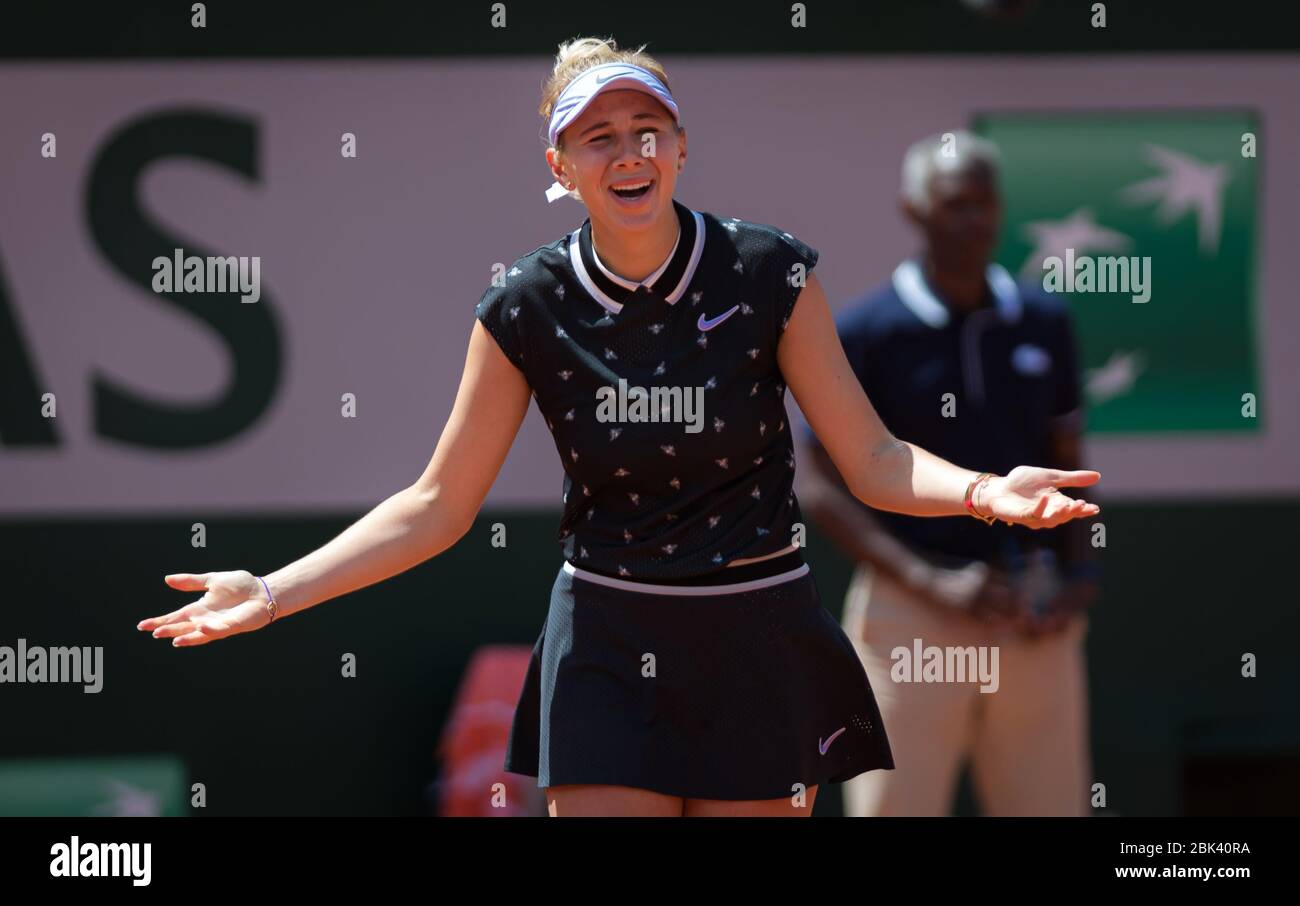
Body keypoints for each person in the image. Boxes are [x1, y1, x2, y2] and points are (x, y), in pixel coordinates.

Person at [137, 40, 1100, 818]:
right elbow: (435, 505)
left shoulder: (770, 275)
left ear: (681, 147)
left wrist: (983, 493)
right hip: (605, 638)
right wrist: (269, 591)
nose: (629, 152)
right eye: (598, 137)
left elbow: (875, 460)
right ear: (560, 167)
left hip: (758, 636)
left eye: (648, 129)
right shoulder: (523, 303)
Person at [801, 131, 1100, 817]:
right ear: (915, 209)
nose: (975, 220)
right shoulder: (867, 331)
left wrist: (1079, 573)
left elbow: (1071, 453)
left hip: (1035, 614)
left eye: (985, 203)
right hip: (909, 618)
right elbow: (816, 482)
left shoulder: (1046, 321)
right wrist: (931, 580)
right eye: (956, 202)